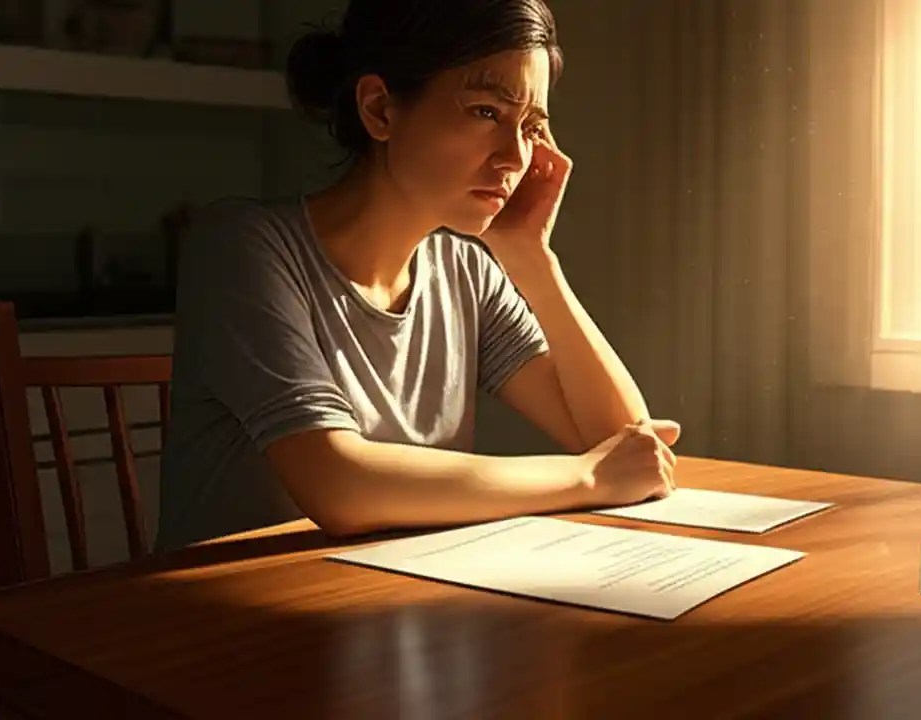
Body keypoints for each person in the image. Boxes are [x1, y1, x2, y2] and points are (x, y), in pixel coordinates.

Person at [154, 0, 680, 550]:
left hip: (385, 606)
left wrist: (532, 259)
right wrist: (588, 478)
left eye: (532, 126)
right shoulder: (244, 246)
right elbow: (340, 486)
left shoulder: (466, 272)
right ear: (380, 109)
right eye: (486, 112)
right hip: (224, 622)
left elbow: (631, 449)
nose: (515, 157)